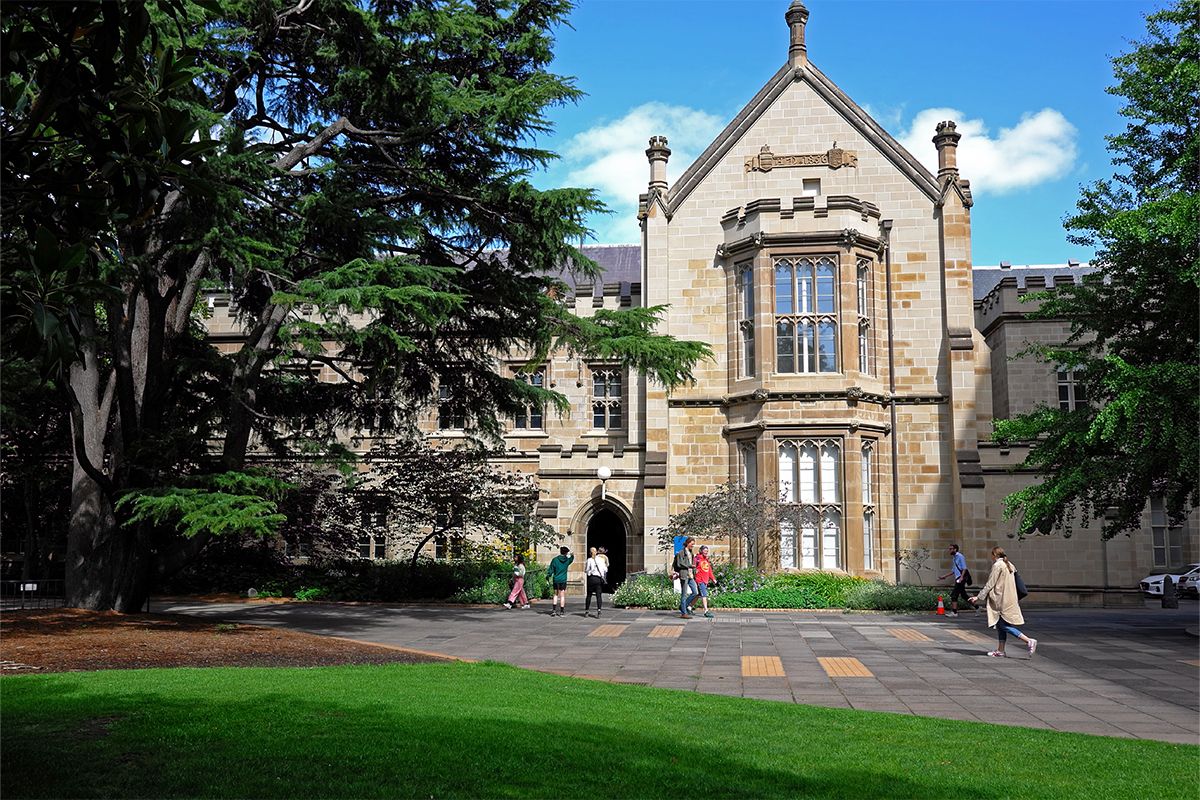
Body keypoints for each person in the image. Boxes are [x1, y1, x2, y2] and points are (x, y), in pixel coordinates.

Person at [970, 546, 1038, 658]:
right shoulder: (1010, 564)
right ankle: (1001, 650)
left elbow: (990, 583)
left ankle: (1028, 640)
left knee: (1003, 625)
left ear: (995, 555)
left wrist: (978, 597)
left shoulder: (998, 565)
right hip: (1010, 599)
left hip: (1001, 599)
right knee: (1001, 624)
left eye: (992, 555)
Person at [938, 543, 971, 617]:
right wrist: (944, 576)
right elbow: (953, 570)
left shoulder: (960, 556)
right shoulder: (954, 558)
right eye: (949, 549)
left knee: (954, 595)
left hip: (960, 578)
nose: (949, 550)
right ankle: (977, 607)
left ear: (955, 549)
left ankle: (954, 612)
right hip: (958, 578)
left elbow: (964, 568)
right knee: (964, 595)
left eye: (950, 549)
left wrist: (961, 577)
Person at [545, 545, 574, 617]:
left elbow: (550, 570)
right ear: (566, 553)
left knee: (555, 594)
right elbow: (572, 558)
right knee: (562, 595)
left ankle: (554, 610)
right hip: (563, 579)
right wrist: (571, 554)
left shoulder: (555, 560)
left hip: (556, 579)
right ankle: (562, 612)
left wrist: (548, 576)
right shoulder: (567, 560)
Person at [673, 537, 696, 619]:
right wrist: (690, 566)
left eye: (693, 544)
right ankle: (684, 613)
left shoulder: (691, 553)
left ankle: (683, 606)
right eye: (692, 544)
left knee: (695, 592)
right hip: (684, 575)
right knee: (684, 594)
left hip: (690, 575)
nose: (692, 546)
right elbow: (679, 564)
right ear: (687, 543)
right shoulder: (681, 553)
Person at [690, 544, 716, 618]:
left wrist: (713, 579)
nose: (706, 552)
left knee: (698, 595)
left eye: (707, 551)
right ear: (701, 551)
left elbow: (709, 571)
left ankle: (689, 607)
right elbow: (692, 567)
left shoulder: (706, 560)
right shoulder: (697, 559)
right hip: (700, 580)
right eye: (705, 551)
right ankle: (706, 611)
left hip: (705, 580)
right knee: (704, 595)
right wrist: (695, 573)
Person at [584, 547, 607, 617]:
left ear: (590, 553)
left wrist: (589, 572)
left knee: (589, 595)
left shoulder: (589, 560)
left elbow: (587, 570)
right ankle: (599, 610)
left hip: (592, 578)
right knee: (598, 595)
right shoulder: (601, 560)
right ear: (596, 552)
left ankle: (587, 610)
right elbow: (605, 569)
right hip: (599, 579)